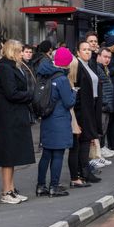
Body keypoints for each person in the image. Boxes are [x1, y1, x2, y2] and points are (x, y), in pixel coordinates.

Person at [0, 40, 35, 204]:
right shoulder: (5, 68)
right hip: (9, 115)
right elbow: (11, 93)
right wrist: (30, 95)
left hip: (15, 114)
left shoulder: (12, 66)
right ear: (12, 52)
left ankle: (11, 189)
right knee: (8, 155)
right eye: (19, 51)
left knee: (13, 155)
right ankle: (6, 191)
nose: (21, 54)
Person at [36, 47, 76, 197]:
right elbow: (69, 102)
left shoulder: (46, 74)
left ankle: (40, 186)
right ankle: (54, 186)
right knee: (58, 154)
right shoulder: (62, 79)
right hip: (59, 121)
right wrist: (74, 92)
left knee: (46, 154)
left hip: (47, 119)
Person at [70, 41, 102, 185]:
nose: (88, 52)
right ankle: (82, 172)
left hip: (92, 106)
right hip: (82, 109)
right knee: (83, 141)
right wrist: (77, 113)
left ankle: (84, 170)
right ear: (78, 52)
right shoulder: (77, 66)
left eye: (89, 49)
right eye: (84, 50)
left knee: (87, 140)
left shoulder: (90, 65)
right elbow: (75, 89)